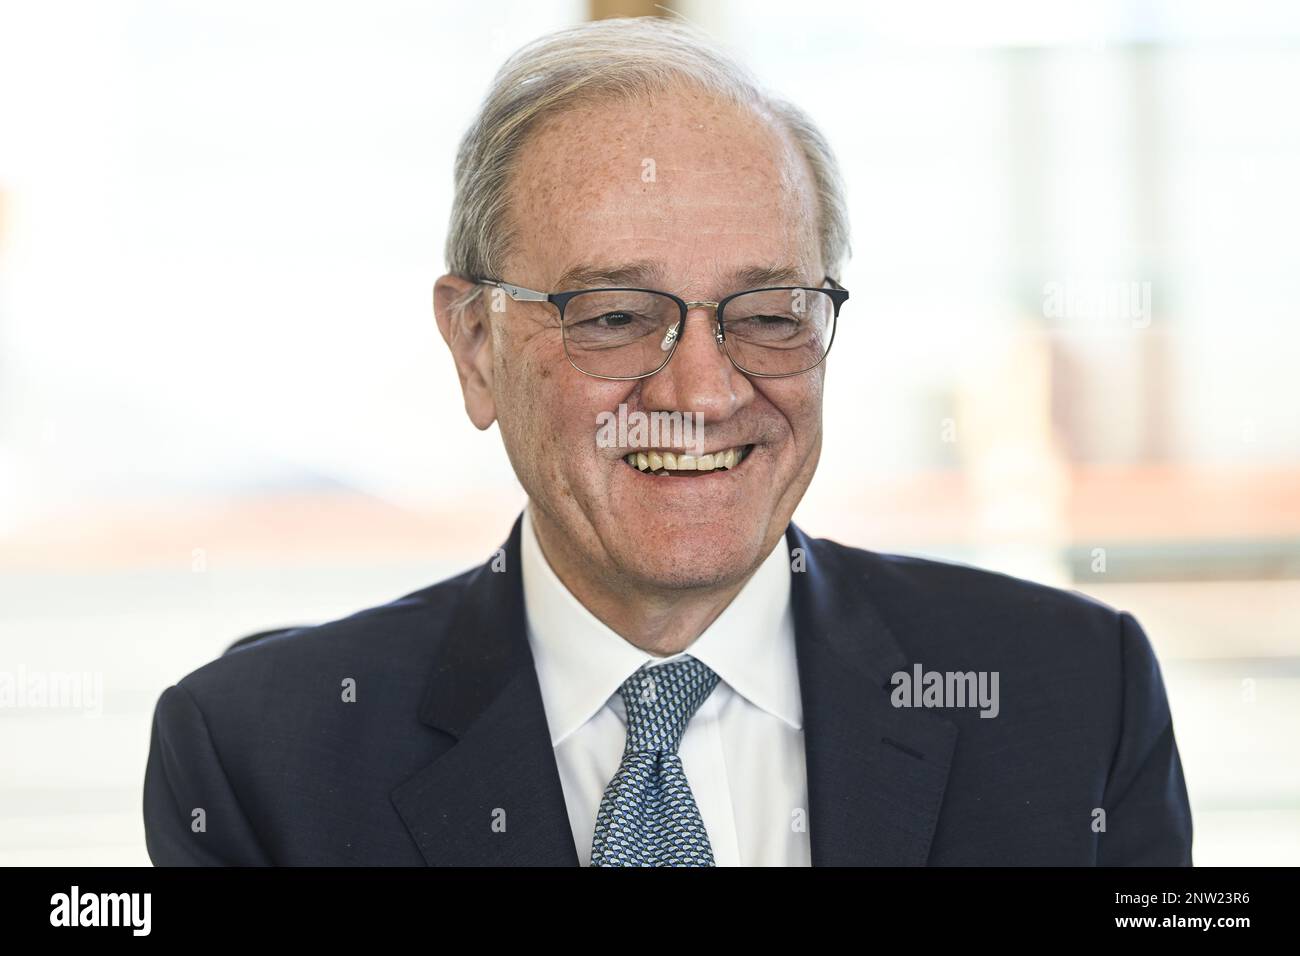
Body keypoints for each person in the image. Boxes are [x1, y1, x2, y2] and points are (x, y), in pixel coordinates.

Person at [143, 16, 1192, 866]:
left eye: (770, 311)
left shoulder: (1072, 694)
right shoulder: (261, 756)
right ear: (474, 345)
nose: (703, 387)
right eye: (613, 314)